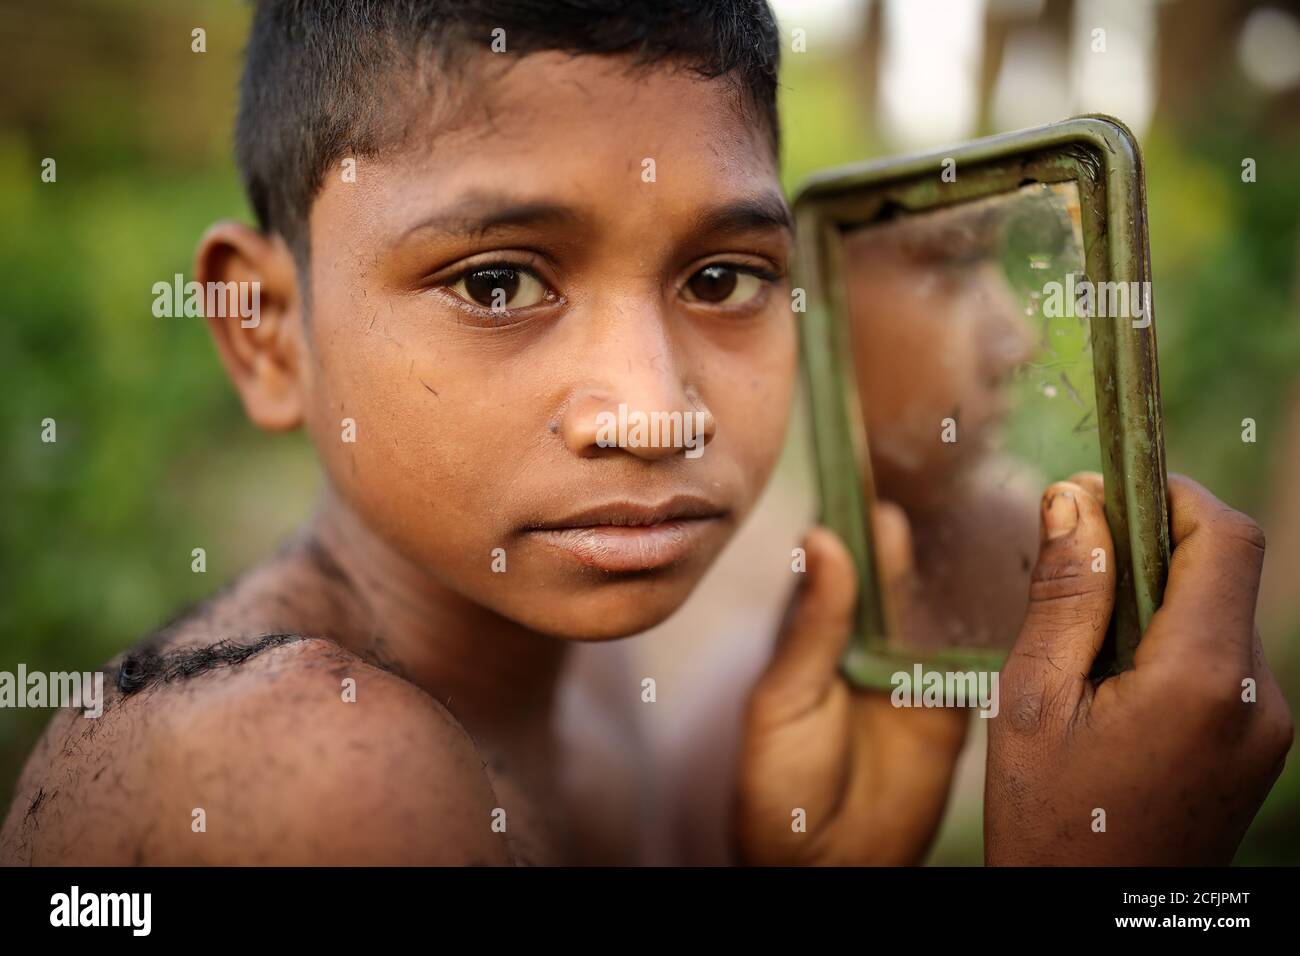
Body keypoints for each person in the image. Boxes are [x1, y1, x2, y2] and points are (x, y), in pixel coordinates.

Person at [0, 0, 1289, 866]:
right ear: (265, 331)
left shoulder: (607, 688)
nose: (655, 409)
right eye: (498, 282)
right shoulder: (312, 767)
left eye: (723, 279)